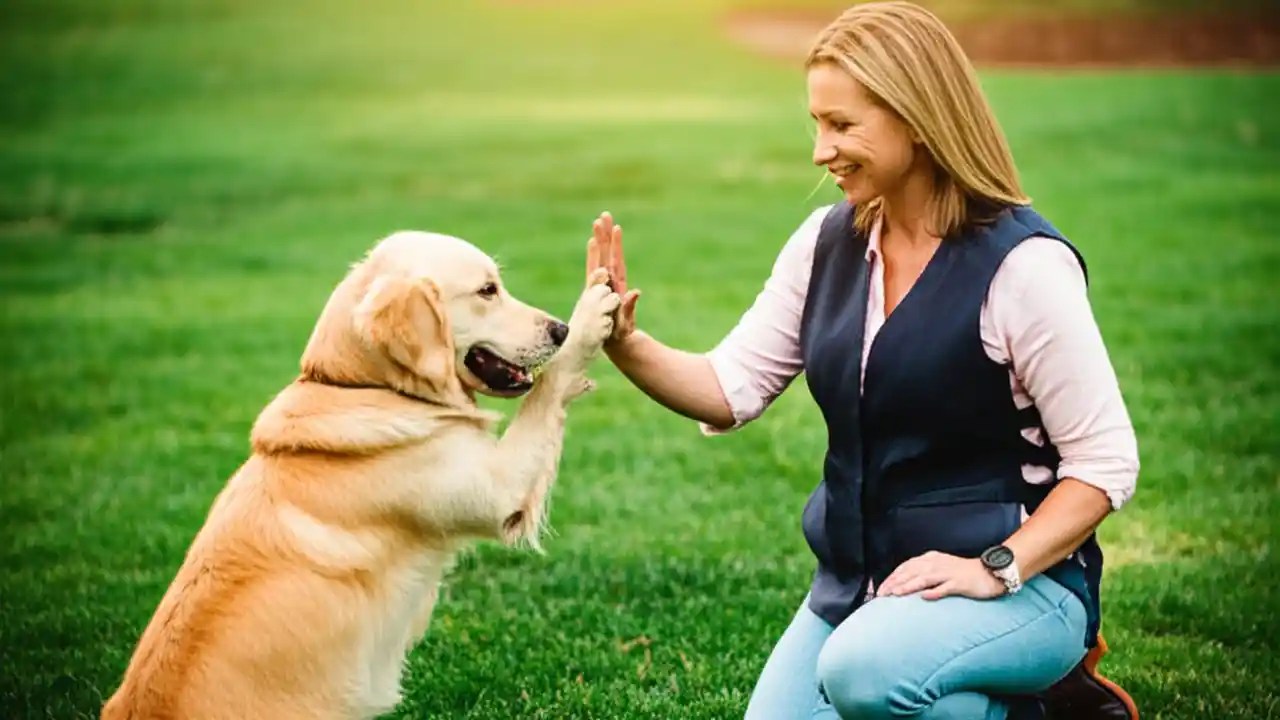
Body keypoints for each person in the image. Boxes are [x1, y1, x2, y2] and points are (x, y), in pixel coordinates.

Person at [583, 3, 1141, 719]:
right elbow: (730, 387)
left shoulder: (1023, 268)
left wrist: (993, 567)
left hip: (1027, 590)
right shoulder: (826, 242)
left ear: (916, 117)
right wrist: (624, 341)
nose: (821, 150)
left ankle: (1049, 703)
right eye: (816, 123)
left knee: (863, 675)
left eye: (842, 125)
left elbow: (1105, 463)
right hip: (861, 589)